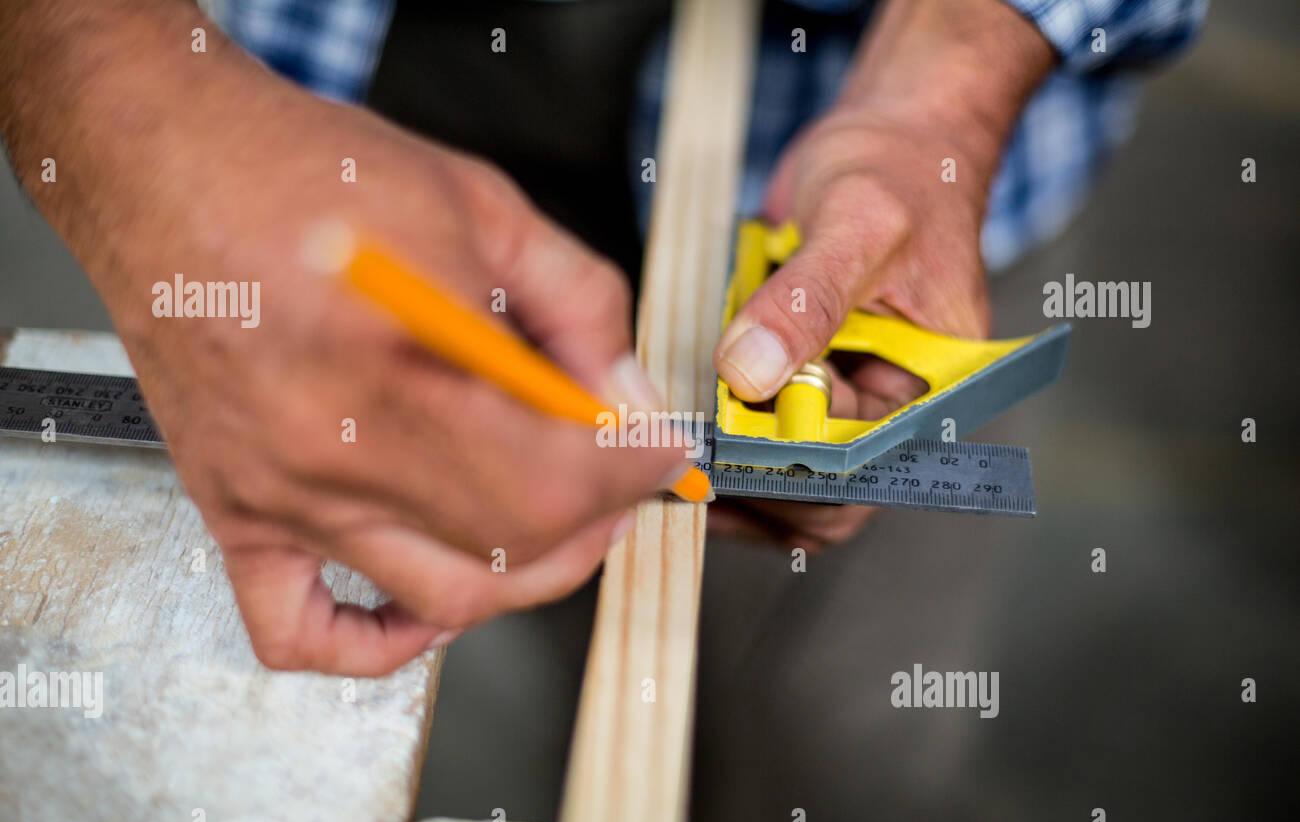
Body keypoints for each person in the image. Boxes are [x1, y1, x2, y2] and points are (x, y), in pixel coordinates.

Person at [0, 0, 1205, 676]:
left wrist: (949, 83)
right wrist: (126, 113)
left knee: (834, 751)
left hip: (858, 162)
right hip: (332, 99)